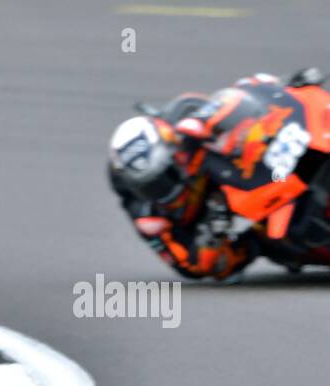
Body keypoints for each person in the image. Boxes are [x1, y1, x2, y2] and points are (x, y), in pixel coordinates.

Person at [107, 69, 328, 280]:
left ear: (174, 152)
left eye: (167, 175)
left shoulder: (183, 116)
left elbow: (238, 96)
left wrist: (282, 86)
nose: (165, 188)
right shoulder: (149, 218)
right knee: (279, 238)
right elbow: (191, 266)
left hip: (256, 169)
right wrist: (211, 237)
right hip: (223, 216)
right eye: (152, 187)